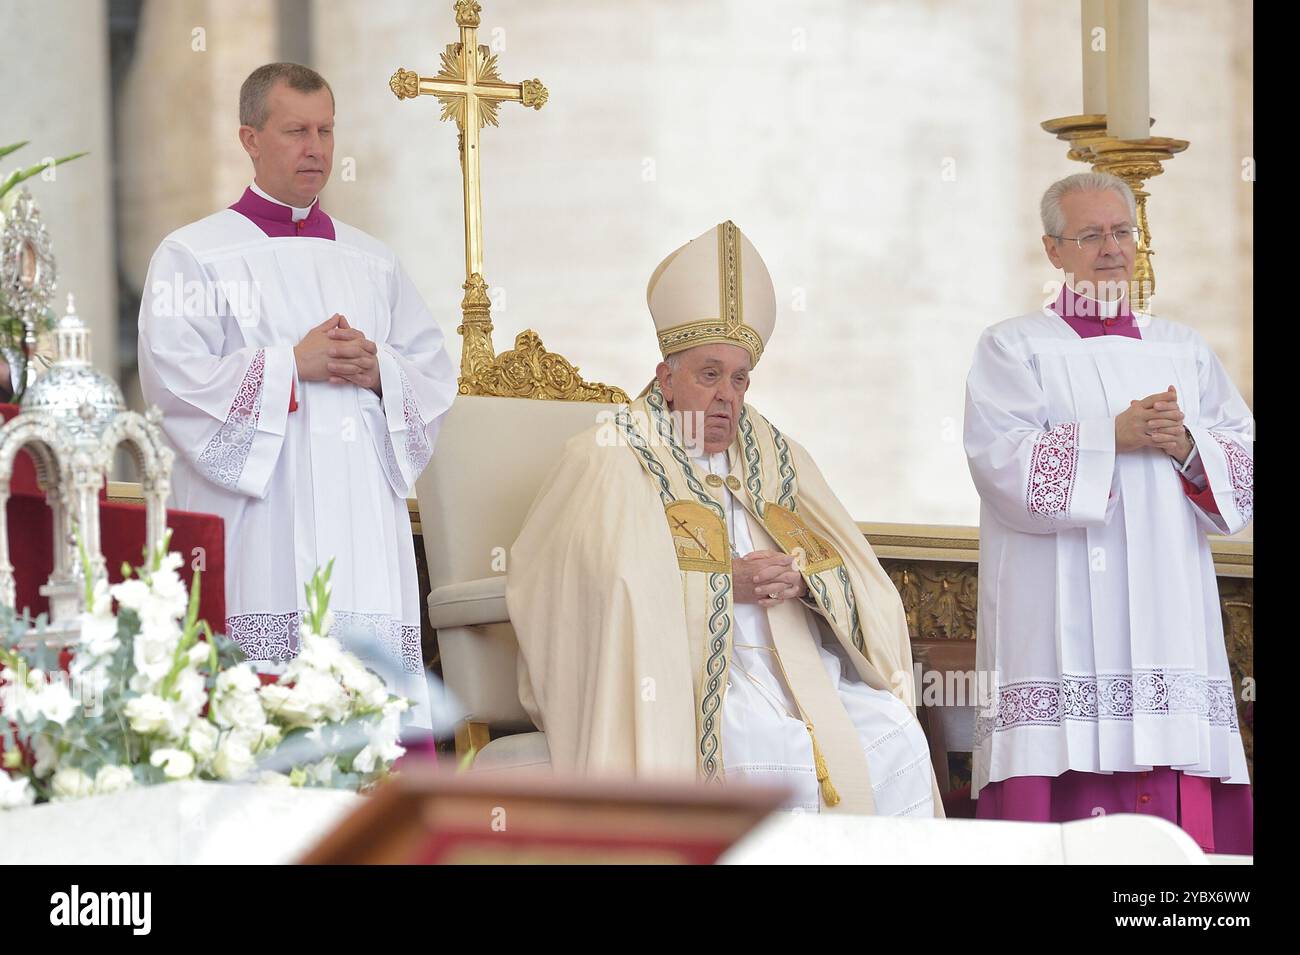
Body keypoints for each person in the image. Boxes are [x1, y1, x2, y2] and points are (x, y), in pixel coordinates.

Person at [507, 220, 941, 816]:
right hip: (686, 677)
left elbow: (856, 571)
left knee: (891, 731)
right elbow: (578, 585)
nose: (727, 396)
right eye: (709, 375)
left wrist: (805, 580)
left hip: (799, 667)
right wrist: (719, 583)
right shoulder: (610, 453)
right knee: (775, 752)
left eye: (739, 379)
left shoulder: (775, 455)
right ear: (666, 376)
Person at [137, 62, 456, 732]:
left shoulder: (375, 261)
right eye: (295, 131)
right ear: (250, 138)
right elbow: (173, 382)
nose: (315, 148)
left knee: (367, 707)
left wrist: (379, 370)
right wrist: (289, 365)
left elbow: (430, 378)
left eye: (325, 131)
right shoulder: (194, 255)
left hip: (361, 524)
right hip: (263, 521)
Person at [962, 172, 1253, 853]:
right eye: (1090, 235)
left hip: (1167, 610)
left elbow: (1241, 461)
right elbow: (999, 463)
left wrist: (1186, 444)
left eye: (1122, 232)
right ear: (1053, 249)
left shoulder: (1182, 348)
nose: (1112, 248)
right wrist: (1108, 437)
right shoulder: (1013, 346)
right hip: (1057, 614)